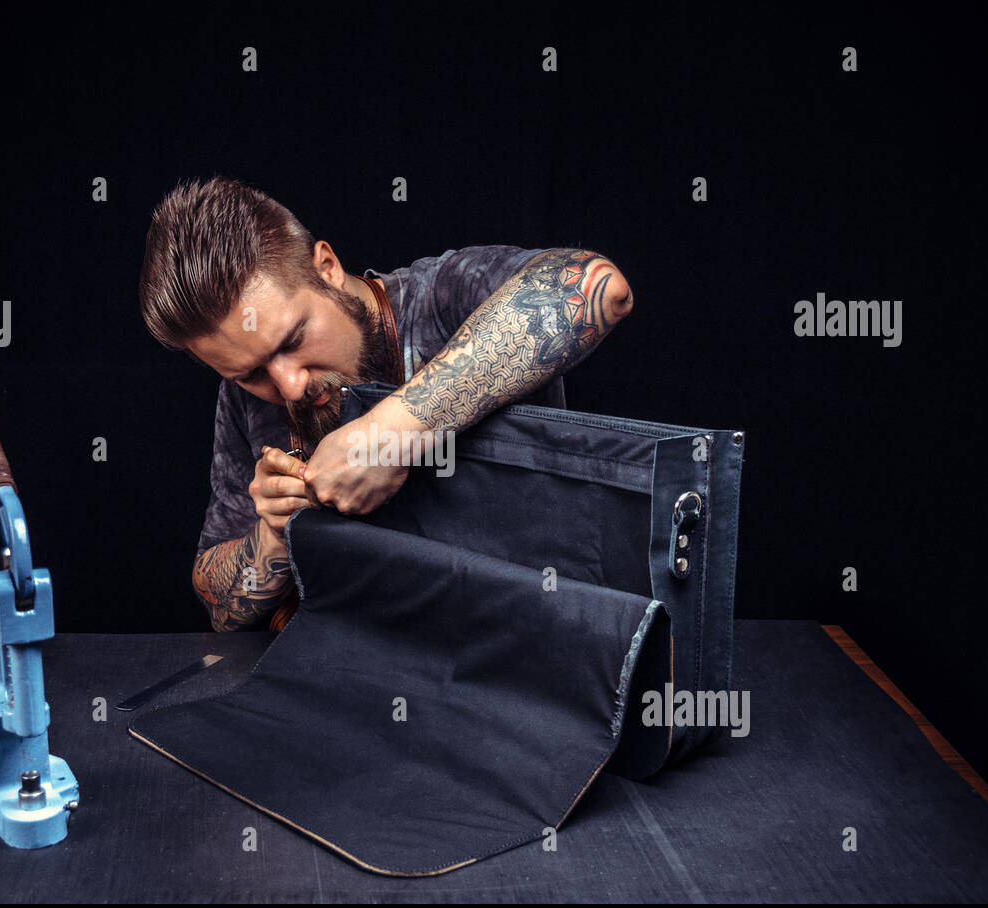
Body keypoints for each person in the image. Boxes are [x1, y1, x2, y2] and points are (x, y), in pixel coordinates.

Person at [138, 176, 634, 632]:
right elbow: (220, 607)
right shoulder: (243, 400)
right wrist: (272, 536)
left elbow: (598, 287)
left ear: (327, 269)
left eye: (292, 339)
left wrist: (395, 432)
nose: (288, 386)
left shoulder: (437, 297)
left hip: (527, 653)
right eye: (250, 373)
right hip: (364, 675)